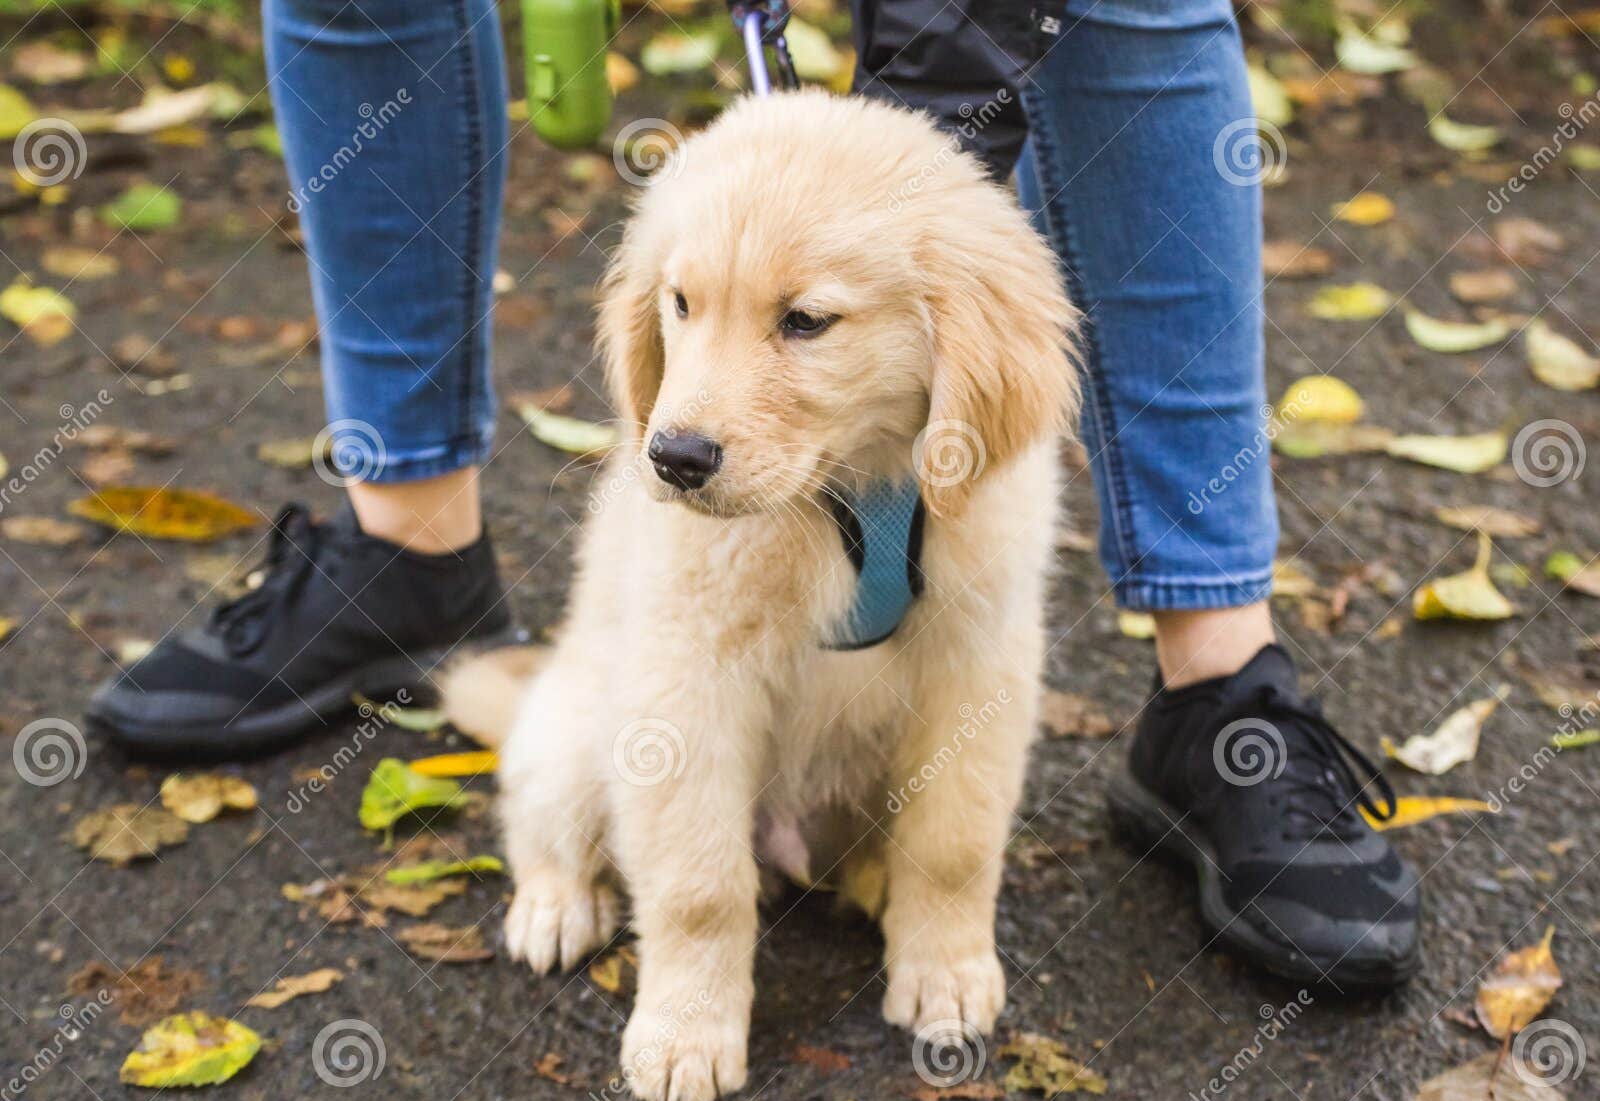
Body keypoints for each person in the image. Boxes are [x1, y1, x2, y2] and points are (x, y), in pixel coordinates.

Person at [89, 0, 1420, 989]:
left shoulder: (968, 361)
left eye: (805, 320)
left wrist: (950, 902)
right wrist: (692, 946)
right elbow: (668, 671)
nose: (682, 424)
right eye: (680, 318)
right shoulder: (682, 386)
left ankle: (1217, 677)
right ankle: (406, 548)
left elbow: (983, 655)